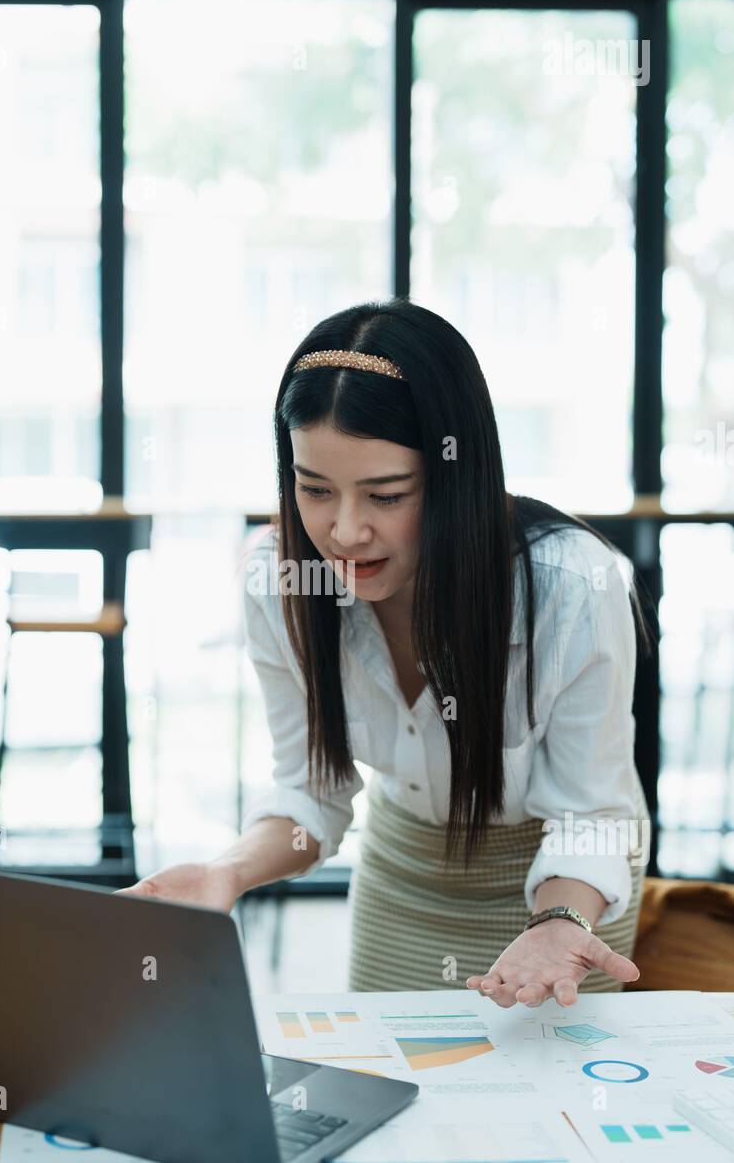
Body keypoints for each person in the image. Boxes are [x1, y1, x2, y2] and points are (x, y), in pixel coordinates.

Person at [119, 297, 655, 1009]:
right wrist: (228, 873)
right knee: (395, 1099)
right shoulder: (278, 579)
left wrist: (559, 924)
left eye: (387, 495)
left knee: (543, 1111)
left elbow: (593, 816)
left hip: (567, 888)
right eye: (314, 489)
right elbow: (311, 793)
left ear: (454, 479)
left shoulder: (571, 589)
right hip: (405, 866)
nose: (343, 531)